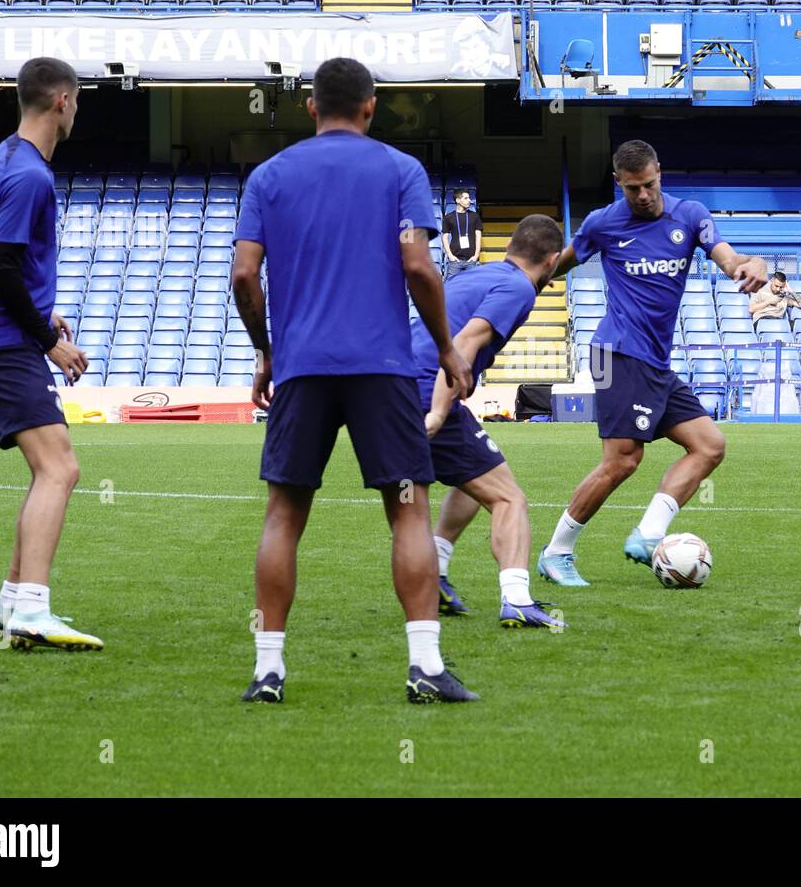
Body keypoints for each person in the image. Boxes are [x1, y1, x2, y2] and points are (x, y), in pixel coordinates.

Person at [232, 57, 478, 704]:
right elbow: (419, 266)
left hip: (302, 367)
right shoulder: (401, 170)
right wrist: (447, 348)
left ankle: (267, 671)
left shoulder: (269, 176)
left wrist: (265, 352)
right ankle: (425, 666)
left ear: (311, 106)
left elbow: (244, 276)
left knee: (284, 514)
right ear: (371, 107)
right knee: (408, 510)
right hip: (382, 368)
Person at [533, 139, 768, 586]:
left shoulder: (691, 215)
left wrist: (751, 263)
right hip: (617, 354)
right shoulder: (603, 223)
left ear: (659, 171)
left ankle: (648, 535)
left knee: (709, 445)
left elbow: (728, 258)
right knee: (622, 461)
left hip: (655, 362)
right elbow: (560, 263)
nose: (642, 195)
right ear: (617, 183)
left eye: (648, 185)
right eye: (631, 188)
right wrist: (525, 279)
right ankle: (556, 552)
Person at [0, 57, 100, 651]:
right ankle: (32, 610)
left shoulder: (7, 155)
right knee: (60, 469)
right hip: (3, 340)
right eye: (78, 101)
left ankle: (12, 603)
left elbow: (7, 259)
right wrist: (50, 341)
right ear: (63, 101)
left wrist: (44, 313)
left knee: (49, 469)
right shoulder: (30, 177)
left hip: (0, 333)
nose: (77, 110)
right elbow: (1, 267)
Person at [414, 215, 566, 628]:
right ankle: (516, 599)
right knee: (509, 498)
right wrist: (438, 410)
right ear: (552, 260)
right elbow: (463, 342)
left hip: (395, 384)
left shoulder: (478, 275)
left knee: (475, 476)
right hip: (427, 388)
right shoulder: (519, 288)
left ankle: (434, 574)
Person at [441, 188, 483, 279]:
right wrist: (450, 255)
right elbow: (444, 237)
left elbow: (478, 236)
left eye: (469, 198)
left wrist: (476, 255)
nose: (469, 200)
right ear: (458, 200)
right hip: (455, 260)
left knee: (473, 285)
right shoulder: (449, 217)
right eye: (466, 198)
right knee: (451, 285)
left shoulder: (475, 216)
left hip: (471, 260)